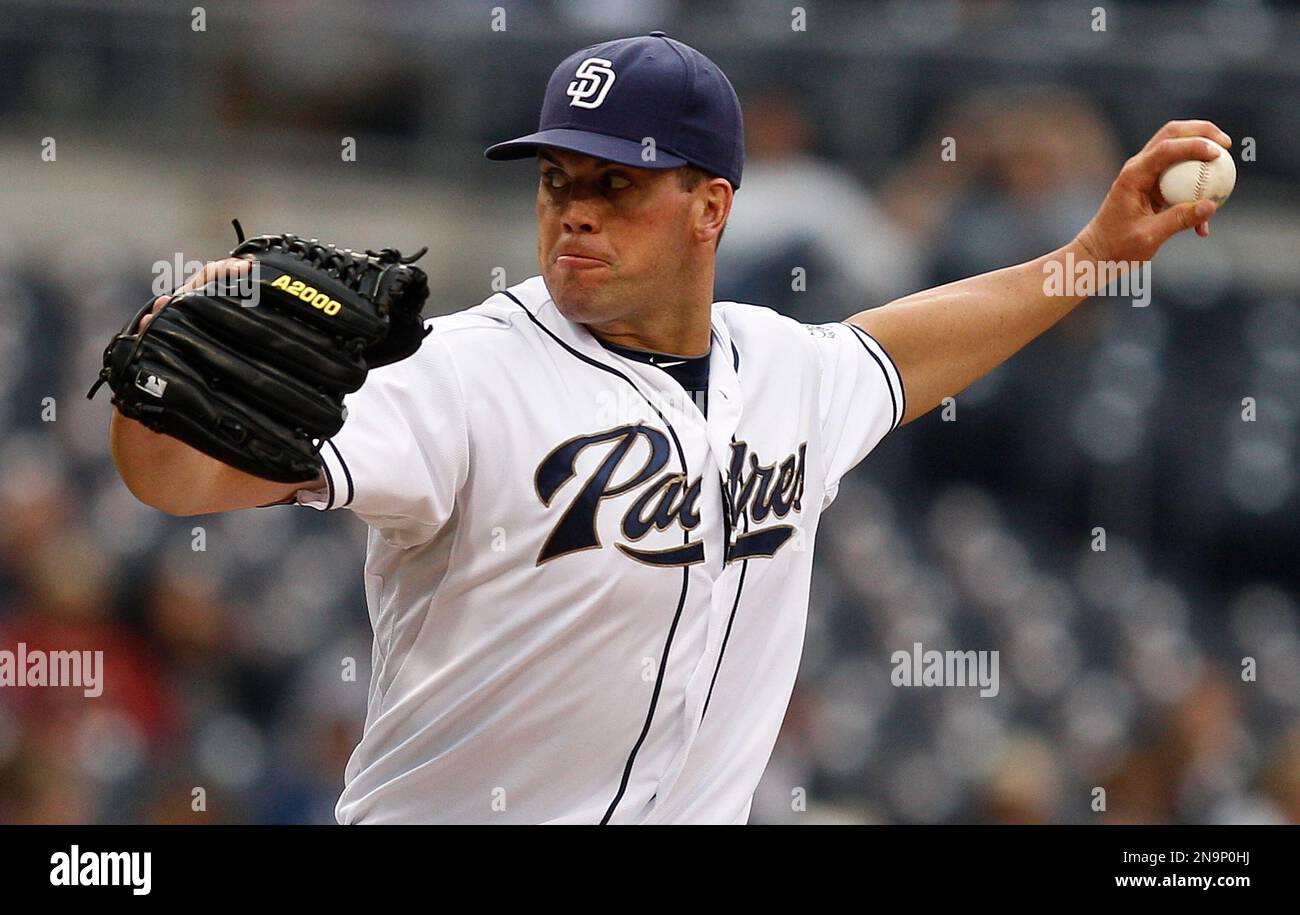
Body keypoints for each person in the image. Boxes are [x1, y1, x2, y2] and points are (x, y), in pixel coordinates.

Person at [108, 32, 1229, 824]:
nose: (575, 209)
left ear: (712, 204)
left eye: (616, 181)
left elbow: (905, 348)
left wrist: (1097, 252)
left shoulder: (785, 369)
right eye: (555, 180)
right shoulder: (454, 373)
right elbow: (178, 482)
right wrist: (157, 387)